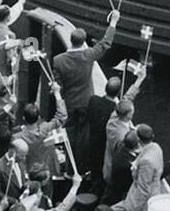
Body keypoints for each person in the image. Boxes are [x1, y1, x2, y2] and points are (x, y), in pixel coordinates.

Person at [51, 14, 119, 158]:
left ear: (71, 40)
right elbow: (105, 43)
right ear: (83, 42)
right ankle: (79, 161)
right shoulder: (88, 55)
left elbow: (58, 84)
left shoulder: (58, 61)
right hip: (85, 102)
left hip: (69, 102)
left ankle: (69, 162)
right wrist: (113, 22)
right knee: (83, 133)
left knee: (69, 131)